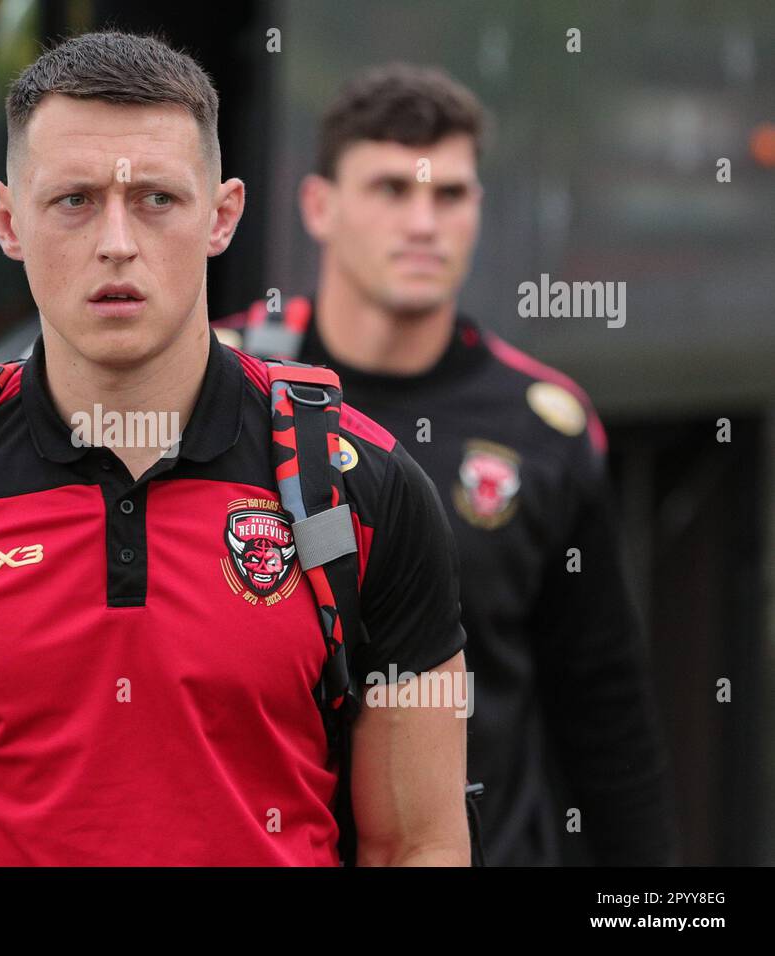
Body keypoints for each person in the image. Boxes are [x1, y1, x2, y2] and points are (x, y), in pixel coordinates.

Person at [0, 33, 469, 867]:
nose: (116, 243)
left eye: (157, 200)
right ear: (7, 218)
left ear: (223, 214)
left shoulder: (364, 489)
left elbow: (418, 846)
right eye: (73, 200)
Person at [214, 63, 677, 865]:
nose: (424, 222)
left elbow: (602, 708)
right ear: (320, 206)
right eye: (392, 190)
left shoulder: (545, 429)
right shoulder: (223, 388)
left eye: (450, 194)